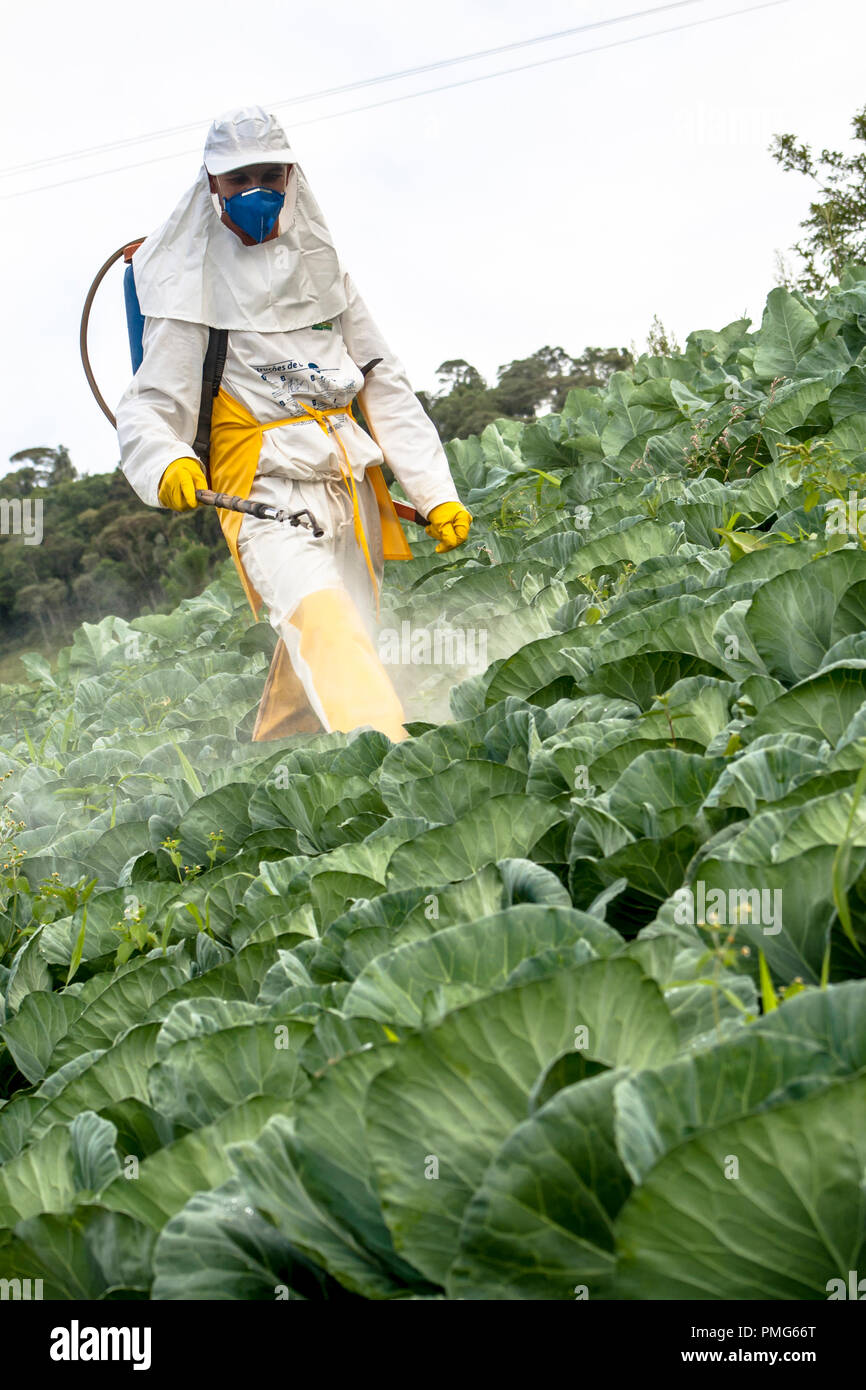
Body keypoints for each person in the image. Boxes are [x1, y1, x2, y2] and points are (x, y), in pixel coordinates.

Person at [115, 105, 472, 744]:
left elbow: (383, 382)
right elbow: (148, 408)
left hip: (353, 488)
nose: (255, 190)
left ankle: (274, 768)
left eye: (268, 173)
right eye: (236, 178)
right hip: (265, 493)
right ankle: (398, 767)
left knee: (343, 638)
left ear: (291, 174)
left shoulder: (323, 267)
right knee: (325, 628)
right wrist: (163, 461)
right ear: (211, 185)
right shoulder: (185, 283)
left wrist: (435, 492)